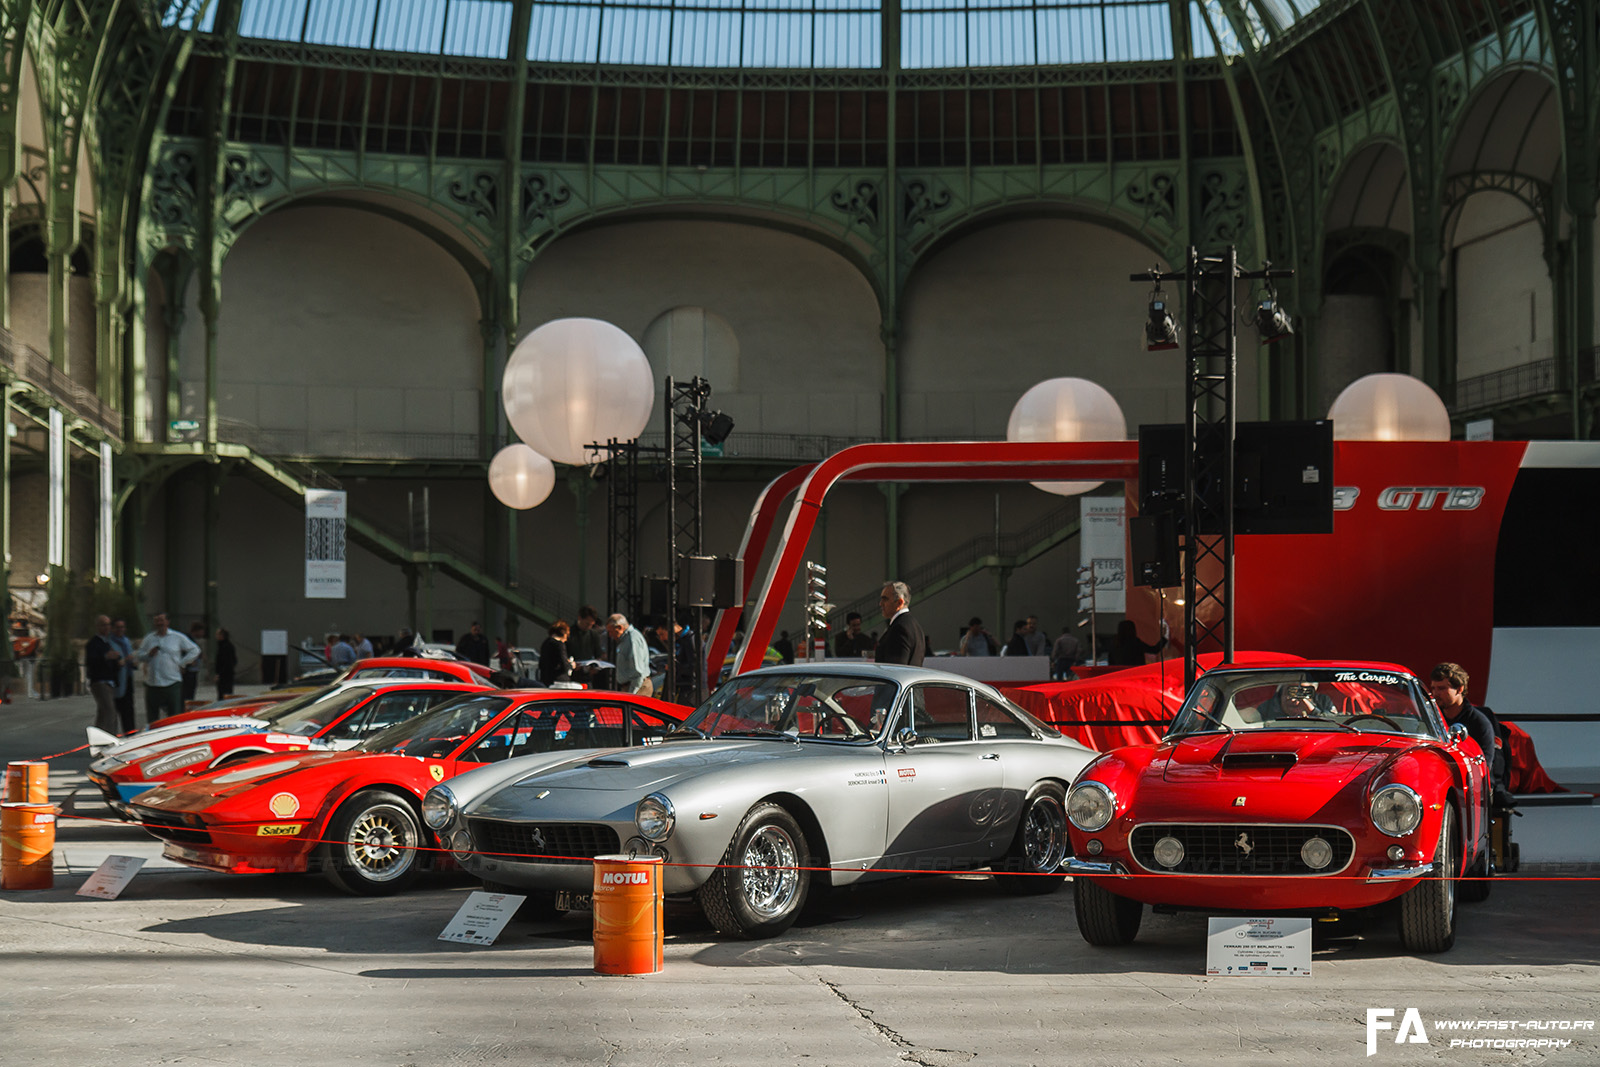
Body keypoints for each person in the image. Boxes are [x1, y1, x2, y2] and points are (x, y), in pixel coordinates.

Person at [1428, 662, 1506, 799]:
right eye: (1433, 688)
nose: (1435, 693)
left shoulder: (1479, 723)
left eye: (1441, 688)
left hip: (1472, 788)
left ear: (1459, 689)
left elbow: (1485, 764)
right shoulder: (1431, 719)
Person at [137, 613, 200, 726]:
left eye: (161, 620)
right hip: (153, 683)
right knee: (152, 719)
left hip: (172, 682)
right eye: (157, 621)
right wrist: (149, 654)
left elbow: (195, 650)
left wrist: (183, 663)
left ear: (167, 622)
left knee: (174, 717)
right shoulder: (149, 638)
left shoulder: (177, 637)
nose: (159, 623)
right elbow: (139, 655)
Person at [874, 581, 926, 667]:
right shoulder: (914, 625)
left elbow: (896, 669)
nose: (880, 604)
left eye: (885, 599)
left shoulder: (900, 628)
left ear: (899, 603)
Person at [85, 615, 121, 734]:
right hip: (100, 681)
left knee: (103, 712)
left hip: (109, 680)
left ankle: (98, 738)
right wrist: (106, 657)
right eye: (103, 625)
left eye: (108, 625)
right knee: (110, 712)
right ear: (98, 626)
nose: (107, 627)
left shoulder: (107, 642)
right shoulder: (94, 643)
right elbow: (90, 661)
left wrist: (117, 660)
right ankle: (111, 738)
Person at [607, 613, 651, 696]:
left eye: (611, 631)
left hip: (637, 688)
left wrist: (632, 695)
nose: (610, 635)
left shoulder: (632, 640)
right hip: (631, 687)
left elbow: (637, 672)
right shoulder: (625, 640)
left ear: (620, 628)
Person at [1257, 680, 1336, 720]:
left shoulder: (1323, 701)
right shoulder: (1267, 708)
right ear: (1281, 692)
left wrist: (1313, 712)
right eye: (1290, 692)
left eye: (1303, 693)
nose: (1295, 700)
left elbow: (1335, 722)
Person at [109, 618, 136, 733]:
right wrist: (123, 660)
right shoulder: (109, 642)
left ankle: (130, 731)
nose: (120, 630)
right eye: (118, 627)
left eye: (122, 627)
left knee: (128, 708)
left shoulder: (126, 641)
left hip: (127, 677)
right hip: (116, 680)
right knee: (114, 709)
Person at [538, 620, 575, 686]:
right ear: (563, 633)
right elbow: (564, 666)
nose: (566, 639)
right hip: (559, 681)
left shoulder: (546, 643)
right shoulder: (559, 645)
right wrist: (571, 665)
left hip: (546, 680)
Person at [182, 622, 208, 703]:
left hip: (193, 670)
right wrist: (189, 663)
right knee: (188, 692)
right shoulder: (188, 639)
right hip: (189, 671)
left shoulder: (192, 640)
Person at [214, 628, 238, 700]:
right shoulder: (221, 646)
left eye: (218, 634)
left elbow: (227, 662)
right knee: (222, 694)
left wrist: (219, 674)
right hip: (225, 674)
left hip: (225, 675)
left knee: (225, 694)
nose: (216, 636)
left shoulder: (226, 647)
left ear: (222, 635)